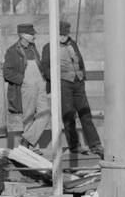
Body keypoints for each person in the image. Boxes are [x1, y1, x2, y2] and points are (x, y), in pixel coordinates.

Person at [41, 20, 103, 159]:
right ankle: (74, 146)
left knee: (85, 113)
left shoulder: (72, 44)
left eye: (65, 34)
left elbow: (79, 61)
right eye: (61, 35)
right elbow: (45, 68)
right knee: (69, 115)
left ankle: (95, 144)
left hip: (78, 82)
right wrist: (55, 79)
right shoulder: (48, 47)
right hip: (63, 83)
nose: (63, 37)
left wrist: (82, 76)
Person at [2, 24, 50, 150]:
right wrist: (23, 80)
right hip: (27, 87)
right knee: (28, 116)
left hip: (40, 85)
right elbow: (7, 72)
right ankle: (31, 147)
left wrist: (44, 78)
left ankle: (27, 139)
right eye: (31, 34)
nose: (34, 36)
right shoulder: (12, 51)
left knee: (45, 114)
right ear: (23, 35)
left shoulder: (33, 48)